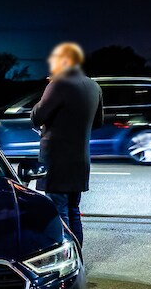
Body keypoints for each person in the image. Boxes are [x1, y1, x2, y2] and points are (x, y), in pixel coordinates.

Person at [31, 42, 103, 247]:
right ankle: (77, 255)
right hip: (80, 160)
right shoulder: (94, 86)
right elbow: (97, 122)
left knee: (58, 211)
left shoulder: (58, 84)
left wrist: (49, 87)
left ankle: (65, 260)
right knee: (73, 210)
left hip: (57, 160)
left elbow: (37, 116)